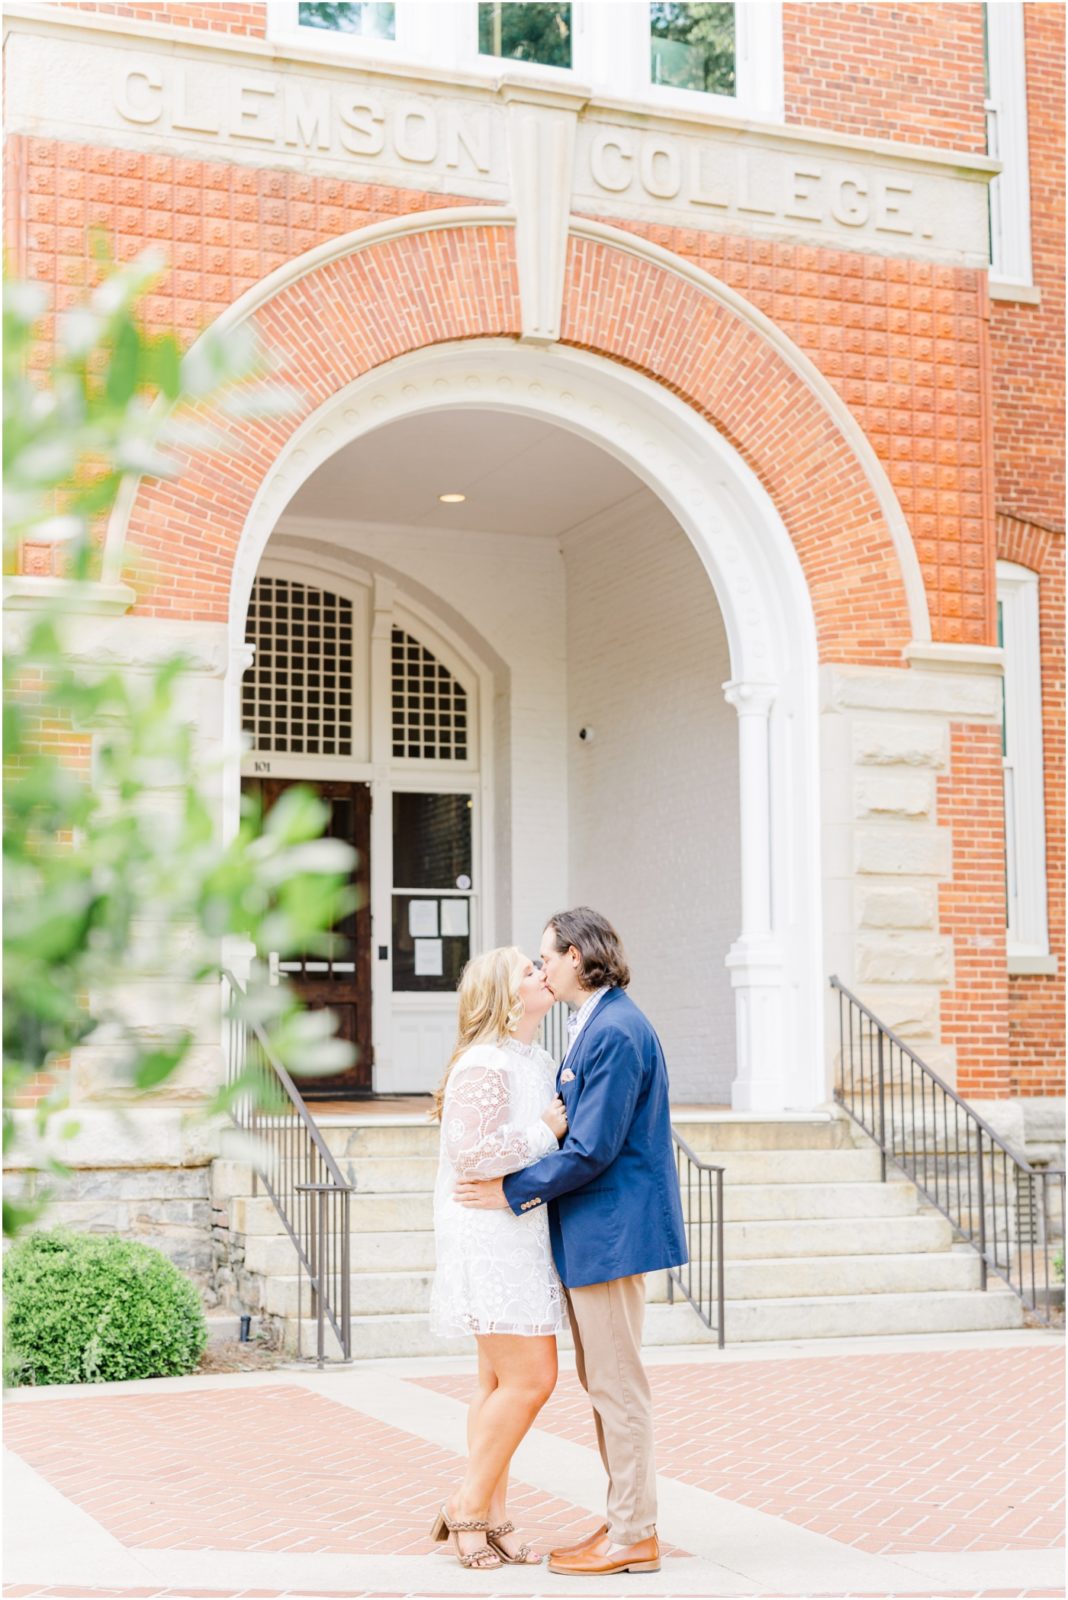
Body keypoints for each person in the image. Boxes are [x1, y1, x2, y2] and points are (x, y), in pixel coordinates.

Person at [454, 907, 686, 1578]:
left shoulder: (614, 1029)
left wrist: (512, 1189)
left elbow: (591, 1147)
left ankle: (633, 1535)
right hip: (593, 1234)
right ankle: (624, 1525)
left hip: (610, 1235)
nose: (542, 967)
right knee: (606, 1383)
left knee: (617, 1387)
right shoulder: (595, 1025)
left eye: (547, 956)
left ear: (579, 957)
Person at [427, 945, 569, 1570]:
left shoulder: (532, 1058)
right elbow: (469, 1154)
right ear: (506, 999)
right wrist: (545, 1130)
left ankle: (492, 1514)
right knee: (533, 1379)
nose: (543, 974)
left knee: (496, 1383)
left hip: (519, 1229)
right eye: (529, 971)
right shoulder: (484, 1061)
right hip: (488, 1236)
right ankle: (467, 1503)